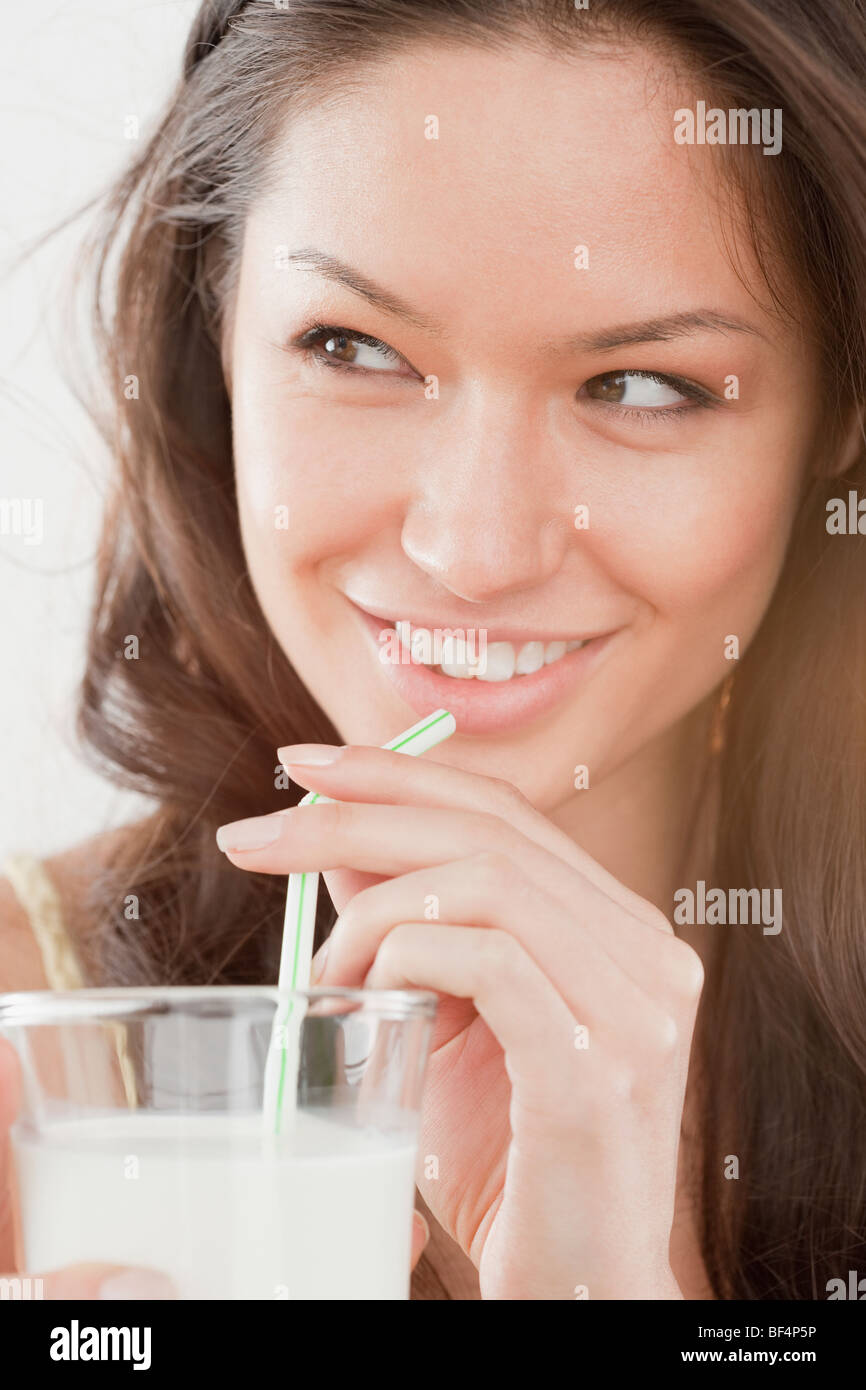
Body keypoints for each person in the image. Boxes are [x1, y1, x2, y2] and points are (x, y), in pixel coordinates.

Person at [2, 0, 865, 1300]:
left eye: (640, 387)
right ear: (218, 336)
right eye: (352, 349)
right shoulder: (34, 1048)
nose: (473, 548)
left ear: (837, 418)